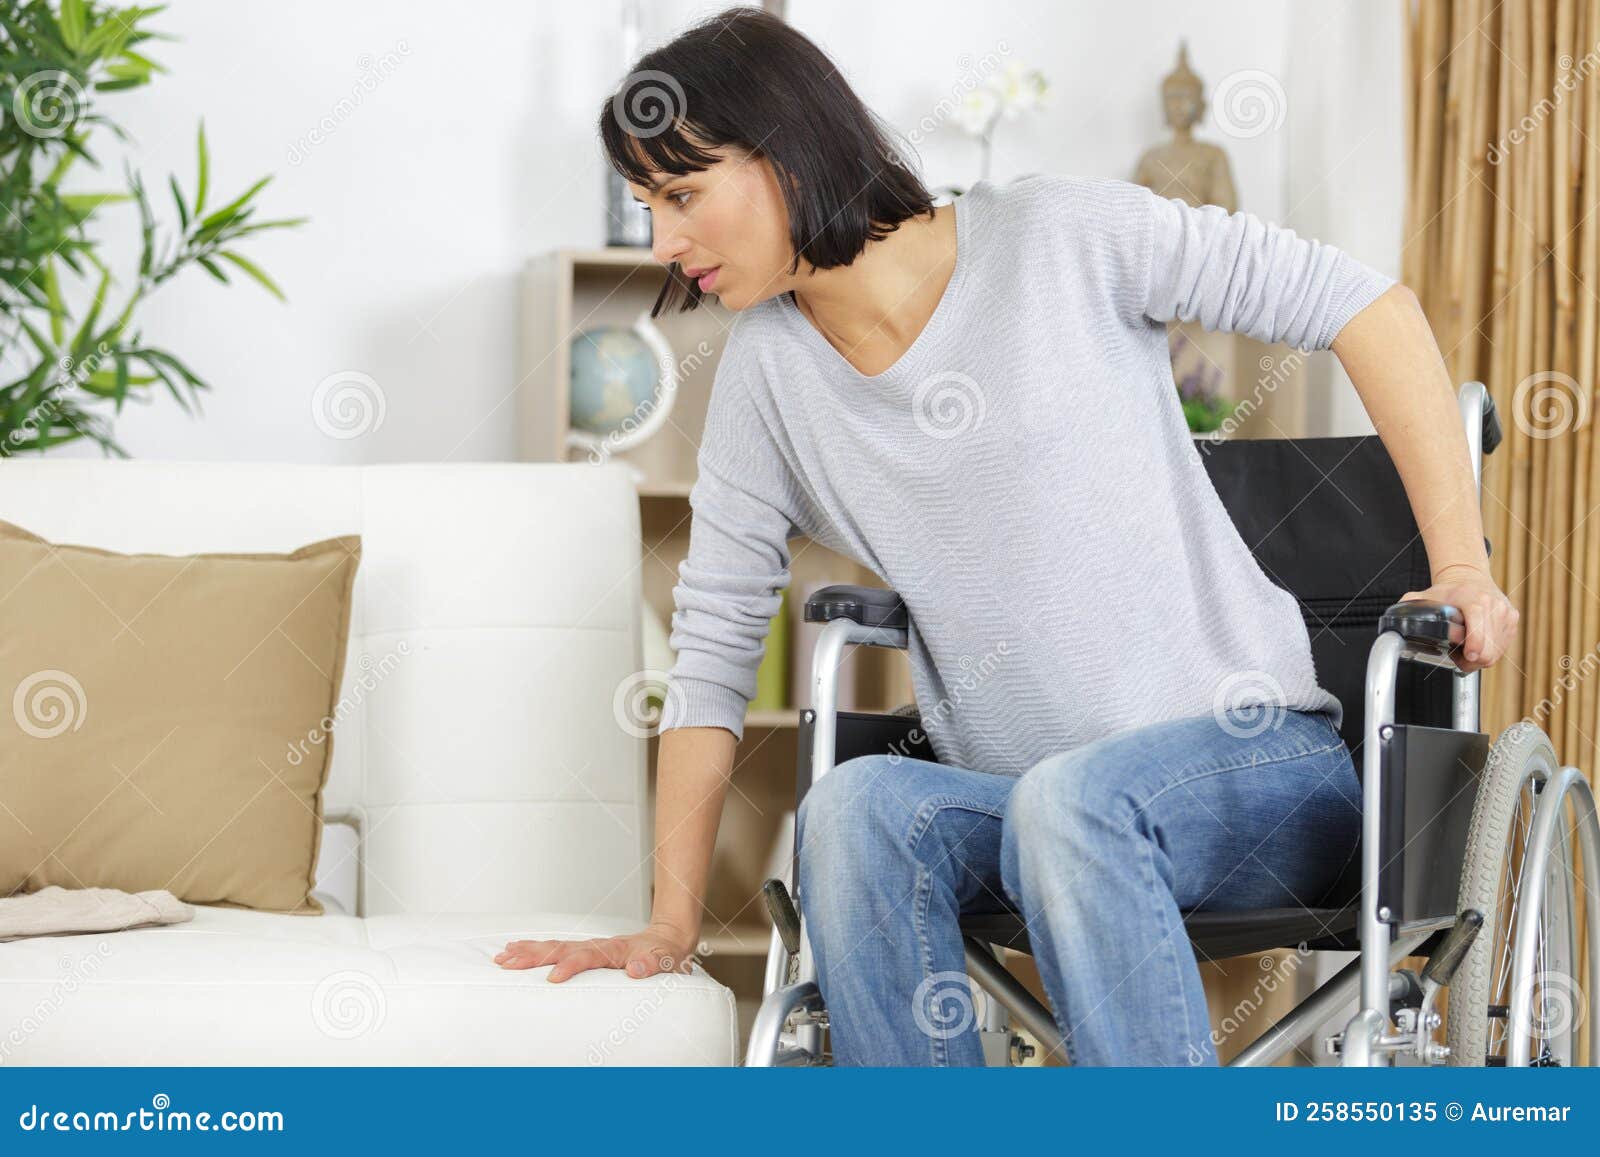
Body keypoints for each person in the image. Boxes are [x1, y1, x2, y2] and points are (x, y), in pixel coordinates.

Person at [495, 7, 1519, 1066]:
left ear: (784, 152)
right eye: (645, 206)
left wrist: (1460, 569)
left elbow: (1368, 305)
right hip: (1022, 805)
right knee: (853, 808)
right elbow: (712, 647)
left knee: (1070, 802)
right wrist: (669, 924)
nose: (663, 241)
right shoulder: (765, 371)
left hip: (1261, 771)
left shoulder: (1061, 236)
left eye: (680, 194)